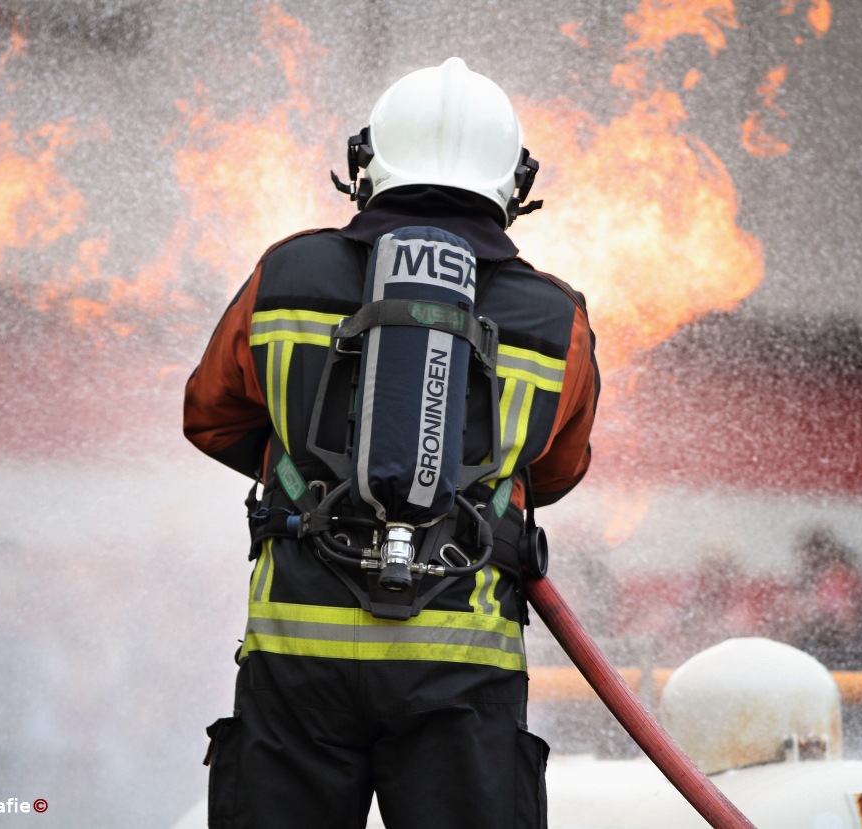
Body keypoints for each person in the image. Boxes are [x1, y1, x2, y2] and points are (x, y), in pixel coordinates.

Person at [183, 57, 598, 829]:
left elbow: (209, 415)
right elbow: (558, 468)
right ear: (515, 182)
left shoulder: (285, 274)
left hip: (296, 659)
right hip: (462, 670)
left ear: (365, 164)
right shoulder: (555, 317)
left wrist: (302, 472)